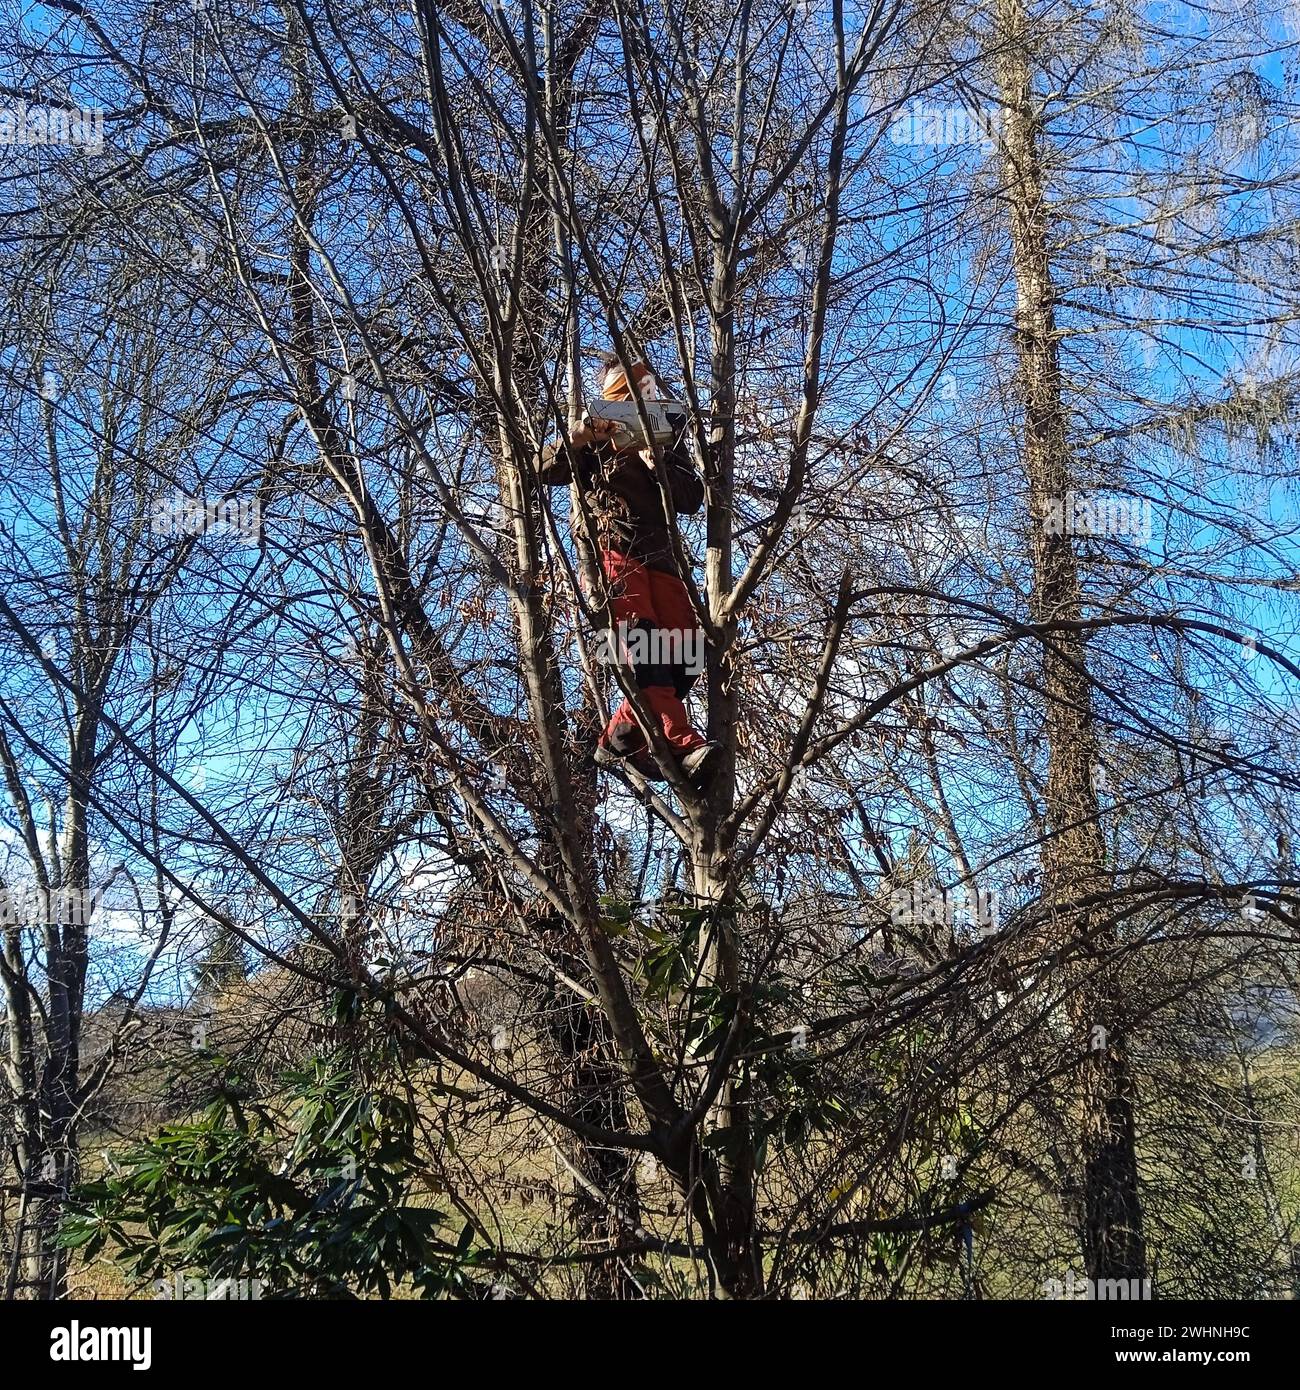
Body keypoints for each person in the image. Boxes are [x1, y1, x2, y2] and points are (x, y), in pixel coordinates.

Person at [540, 351, 721, 790]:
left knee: (687, 650)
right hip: (612, 548)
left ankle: (620, 734)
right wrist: (578, 438)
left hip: (663, 556)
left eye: (650, 389)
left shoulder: (665, 442)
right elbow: (544, 469)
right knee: (642, 644)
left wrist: (656, 463)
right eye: (635, 390)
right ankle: (678, 740)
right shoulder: (598, 439)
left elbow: (691, 499)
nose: (647, 395)